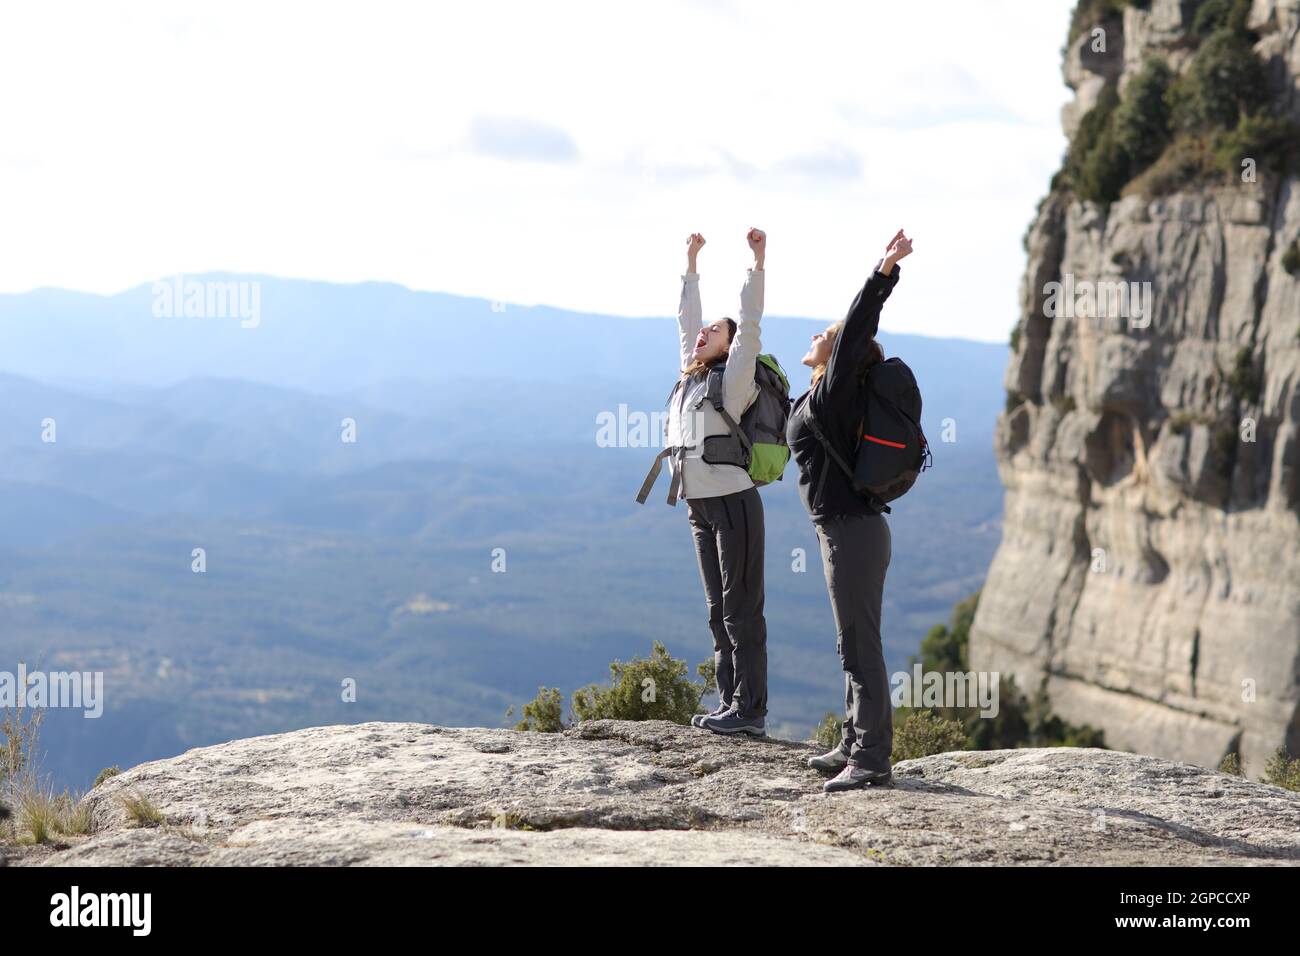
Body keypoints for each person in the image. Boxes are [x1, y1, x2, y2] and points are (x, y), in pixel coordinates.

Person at [786, 228, 913, 789]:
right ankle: (852, 741)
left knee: (861, 644)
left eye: (826, 335)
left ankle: (871, 760)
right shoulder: (818, 397)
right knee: (850, 641)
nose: (815, 334)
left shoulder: (836, 392)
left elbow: (858, 322)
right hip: (842, 531)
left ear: (840, 354)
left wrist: (882, 273)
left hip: (852, 533)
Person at [664, 228, 769, 736]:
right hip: (699, 507)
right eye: (705, 329)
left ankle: (751, 711)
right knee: (716, 610)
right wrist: (690, 263)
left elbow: (749, 328)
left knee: (740, 607)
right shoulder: (690, 376)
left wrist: (756, 263)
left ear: (729, 348)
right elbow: (686, 325)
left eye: (715, 331)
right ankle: (729, 701)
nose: (704, 333)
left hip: (733, 502)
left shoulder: (733, 380)